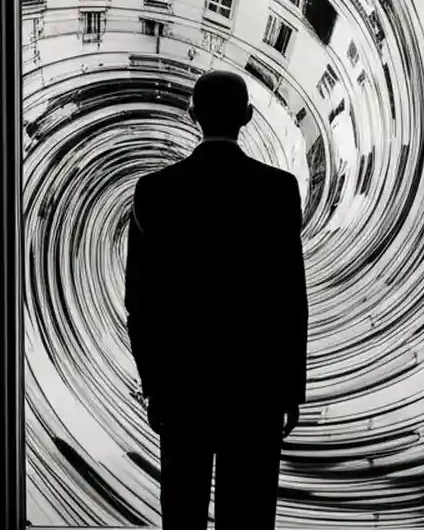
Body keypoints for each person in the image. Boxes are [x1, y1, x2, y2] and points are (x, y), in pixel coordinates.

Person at [124, 70, 309, 529]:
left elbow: (140, 303)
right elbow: (291, 298)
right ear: (247, 116)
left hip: (182, 387)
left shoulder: (155, 191)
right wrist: (291, 388)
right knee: (247, 516)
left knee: (183, 514)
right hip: (257, 389)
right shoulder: (279, 190)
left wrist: (154, 384)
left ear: (193, 115)